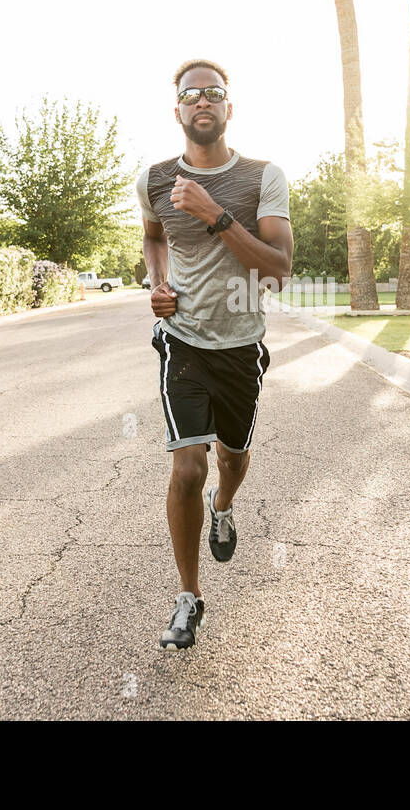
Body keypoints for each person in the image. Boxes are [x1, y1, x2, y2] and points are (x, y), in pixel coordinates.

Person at [136, 58, 293, 650]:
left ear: (229, 108)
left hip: (241, 346)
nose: (203, 101)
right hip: (184, 341)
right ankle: (188, 596)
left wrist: (214, 213)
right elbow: (154, 238)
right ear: (177, 110)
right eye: (191, 94)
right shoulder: (153, 179)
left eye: (214, 93)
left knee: (232, 460)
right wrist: (158, 282)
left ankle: (224, 506)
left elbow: (277, 270)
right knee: (186, 466)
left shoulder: (263, 177)